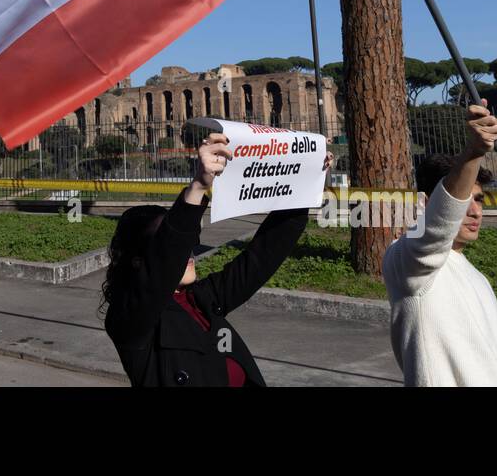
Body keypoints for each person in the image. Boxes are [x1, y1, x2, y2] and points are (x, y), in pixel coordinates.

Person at [102, 131, 332, 386]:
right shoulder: (129, 319)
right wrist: (198, 186)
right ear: (138, 260)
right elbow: (164, 263)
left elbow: (262, 256)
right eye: (169, 242)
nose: (188, 249)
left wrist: (305, 183)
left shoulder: (200, 299)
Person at [382, 100, 497, 387]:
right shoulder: (407, 262)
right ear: (428, 204)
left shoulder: (477, 277)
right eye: (465, 200)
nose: (475, 211)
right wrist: (473, 153)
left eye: (479, 200)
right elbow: (438, 224)